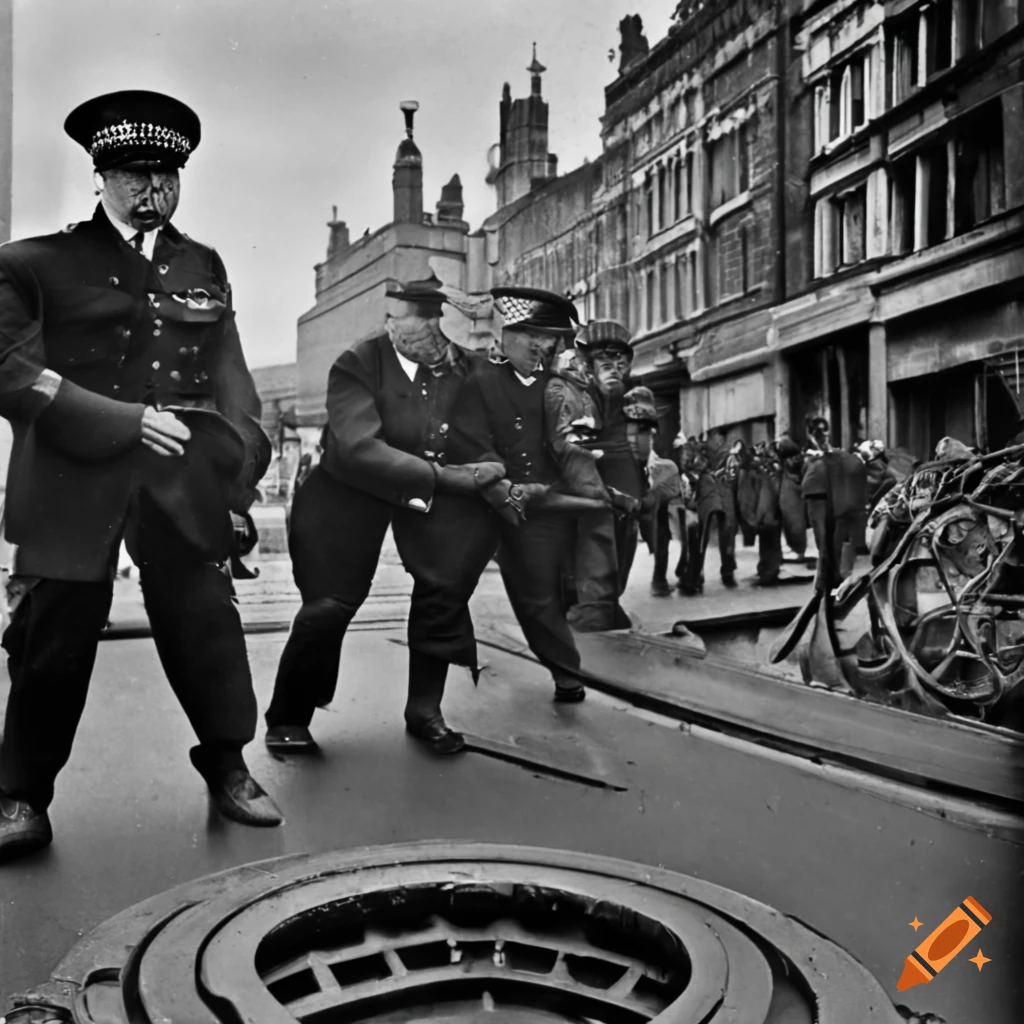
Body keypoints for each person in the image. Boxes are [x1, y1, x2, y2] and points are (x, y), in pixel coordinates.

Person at [0, 90, 281, 863]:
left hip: (180, 481)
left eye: (165, 175)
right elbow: (10, 372)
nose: (150, 190)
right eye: (131, 175)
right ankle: (20, 792)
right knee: (55, 637)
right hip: (71, 479)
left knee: (206, 622)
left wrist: (239, 476)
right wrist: (124, 423)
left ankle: (228, 762)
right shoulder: (34, 263)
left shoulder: (203, 265)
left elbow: (233, 380)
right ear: (100, 177)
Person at [264, 274, 505, 757]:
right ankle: (289, 714)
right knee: (331, 602)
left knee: (444, 588)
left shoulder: (473, 370)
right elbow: (357, 448)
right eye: (394, 323)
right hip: (348, 489)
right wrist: (448, 478)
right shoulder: (358, 362)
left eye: (419, 327)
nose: (398, 331)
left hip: (431, 490)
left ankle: (425, 711)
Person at [448, 287, 606, 703]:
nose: (543, 346)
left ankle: (566, 674)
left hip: (540, 509)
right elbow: (469, 438)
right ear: (506, 333)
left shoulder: (558, 386)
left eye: (550, 339)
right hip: (481, 503)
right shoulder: (478, 376)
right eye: (533, 335)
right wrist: (495, 481)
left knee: (538, 594)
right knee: (445, 587)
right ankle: (434, 685)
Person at [546, 320, 640, 631]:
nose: (614, 369)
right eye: (605, 362)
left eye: (621, 363)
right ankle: (589, 612)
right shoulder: (569, 392)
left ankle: (603, 606)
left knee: (622, 542)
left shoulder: (631, 396)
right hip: (580, 481)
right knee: (587, 545)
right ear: (588, 364)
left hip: (619, 481)